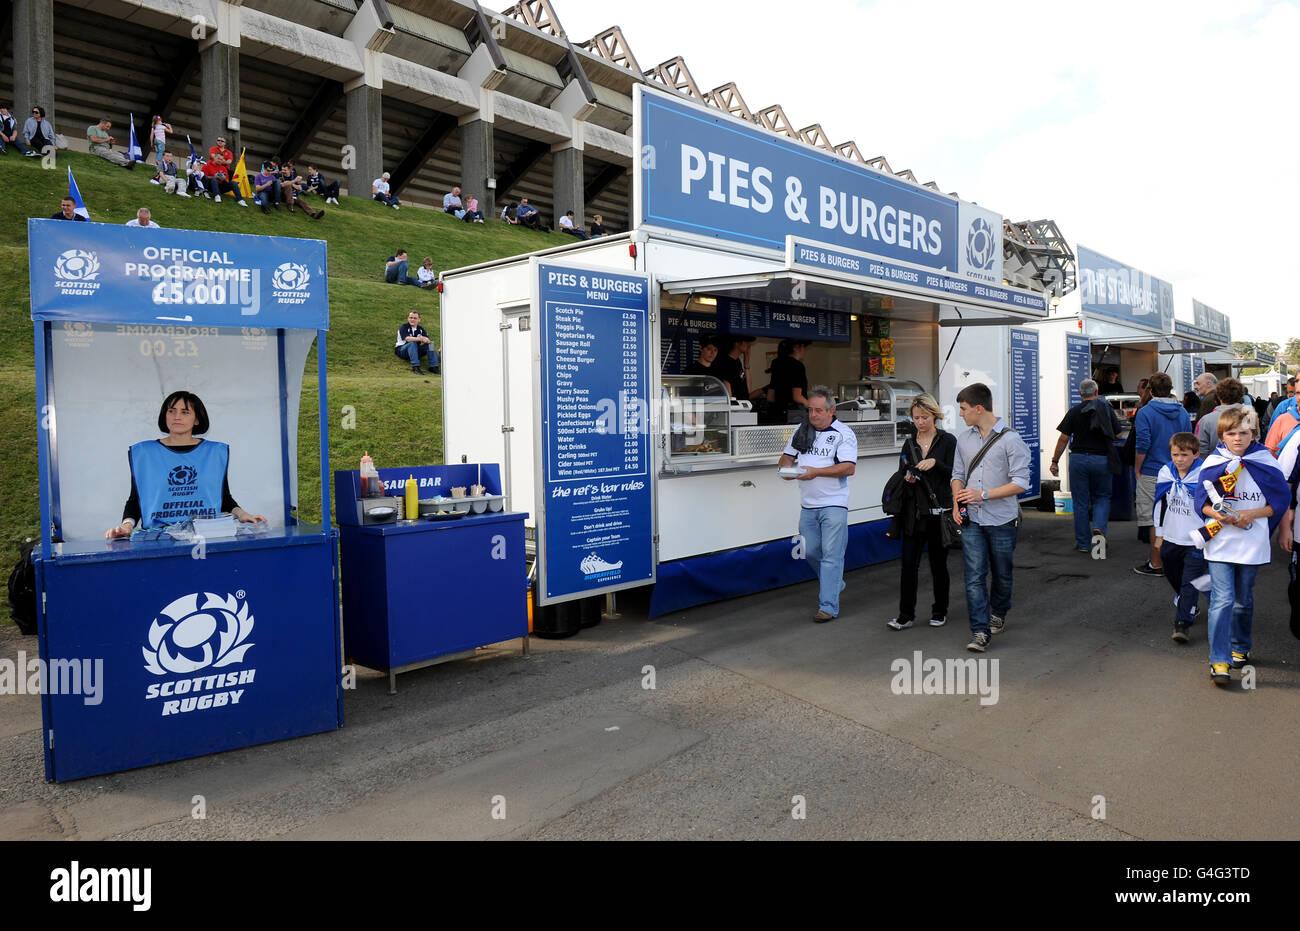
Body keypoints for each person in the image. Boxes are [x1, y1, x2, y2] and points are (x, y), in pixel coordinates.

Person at [1193, 406, 1289, 686]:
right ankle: (1218, 660)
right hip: (1221, 540)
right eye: (1231, 433)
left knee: (1243, 600)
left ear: (1253, 434)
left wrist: (1251, 514)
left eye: (1243, 433)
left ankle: (1241, 645)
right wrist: (1217, 515)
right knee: (1222, 599)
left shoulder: (1266, 462)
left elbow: (1280, 503)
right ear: (1221, 436)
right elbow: (1202, 501)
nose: (1237, 439)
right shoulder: (1213, 462)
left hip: (1251, 540)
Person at [104, 391, 267, 538]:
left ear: (196, 419)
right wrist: (127, 526)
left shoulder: (215, 452)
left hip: (207, 536)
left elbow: (223, 497)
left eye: (185, 412)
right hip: (160, 539)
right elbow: (136, 499)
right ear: (164, 415)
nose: (177, 417)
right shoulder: (145, 453)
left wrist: (242, 514)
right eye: (171, 411)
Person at [951, 382, 1032, 652]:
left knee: (1002, 573)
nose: (960, 414)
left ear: (978, 408)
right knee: (974, 576)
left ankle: (999, 611)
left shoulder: (1011, 440)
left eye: (963, 409)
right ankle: (980, 631)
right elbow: (958, 475)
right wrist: (956, 502)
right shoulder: (964, 439)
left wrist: (982, 495)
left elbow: (1021, 483)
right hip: (972, 519)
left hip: (1002, 520)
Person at [778, 387, 857, 622]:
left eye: (819, 410)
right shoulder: (801, 431)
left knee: (832, 555)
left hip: (834, 503)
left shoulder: (844, 433)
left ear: (831, 411)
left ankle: (828, 607)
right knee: (810, 551)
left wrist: (816, 472)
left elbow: (848, 467)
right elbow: (785, 459)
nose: (813, 415)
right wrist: (787, 469)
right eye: (810, 410)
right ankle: (834, 582)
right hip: (808, 505)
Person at [886, 394, 955, 630]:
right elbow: (901, 471)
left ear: (934, 415)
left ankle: (940, 611)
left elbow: (956, 474)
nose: (920, 422)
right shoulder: (909, 443)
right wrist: (908, 476)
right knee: (908, 564)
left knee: (938, 564)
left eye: (924, 417)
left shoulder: (948, 441)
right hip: (913, 512)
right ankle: (905, 615)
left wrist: (936, 463)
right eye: (916, 418)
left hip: (938, 510)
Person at [1049, 377, 1122, 554]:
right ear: (1097, 392)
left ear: (1080, 394)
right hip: (1101, 459)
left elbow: (1064, 439)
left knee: (1080, 502)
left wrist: (1055, 460)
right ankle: (1098, 533)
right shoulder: (1106, 410)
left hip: (1078, 459)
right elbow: (1119, 435)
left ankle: (1083, 544)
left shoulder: (1074, 411)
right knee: (1102, 497)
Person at [1133, 372, 1192, 576]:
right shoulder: (1182, 412)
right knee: (1176, 516)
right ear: (1170, 388)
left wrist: (1137, 468)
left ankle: (1156, 563)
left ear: (1150, 390)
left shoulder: (1145, 412)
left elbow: (1143, 443)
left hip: (1152, 471)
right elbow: (1188, 442)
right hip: (1178, 471)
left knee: (1154, 519)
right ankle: (1175, 562)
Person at [1153, 432, 1207, 643]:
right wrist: (1159, 534)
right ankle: (1193, 595)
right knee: (1171, 572)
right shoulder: (1165, 471)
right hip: (1171, 535)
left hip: (1196, 538)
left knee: (1189, 581)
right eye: (1175, 454)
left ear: (1196, 454)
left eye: (1184, 455)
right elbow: (1160, 503)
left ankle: (1182, 624)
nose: (1179, 459)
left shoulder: (1204, 473)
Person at [1196, 377, 1244, 457]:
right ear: (1241, 395)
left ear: (1219, 396)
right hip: (1244, 466)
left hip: (1214, 466)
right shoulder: (1251, 417)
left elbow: (1201, 450)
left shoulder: (1206, 420)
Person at [765, 339, 810, 421]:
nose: (804, 350)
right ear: (796, 347)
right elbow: (797, 396)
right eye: (803, 347)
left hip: (778, 413)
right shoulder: (798, 366)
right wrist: (812, 406)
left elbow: (770, 397)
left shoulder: (776, 363)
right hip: (794, 414)